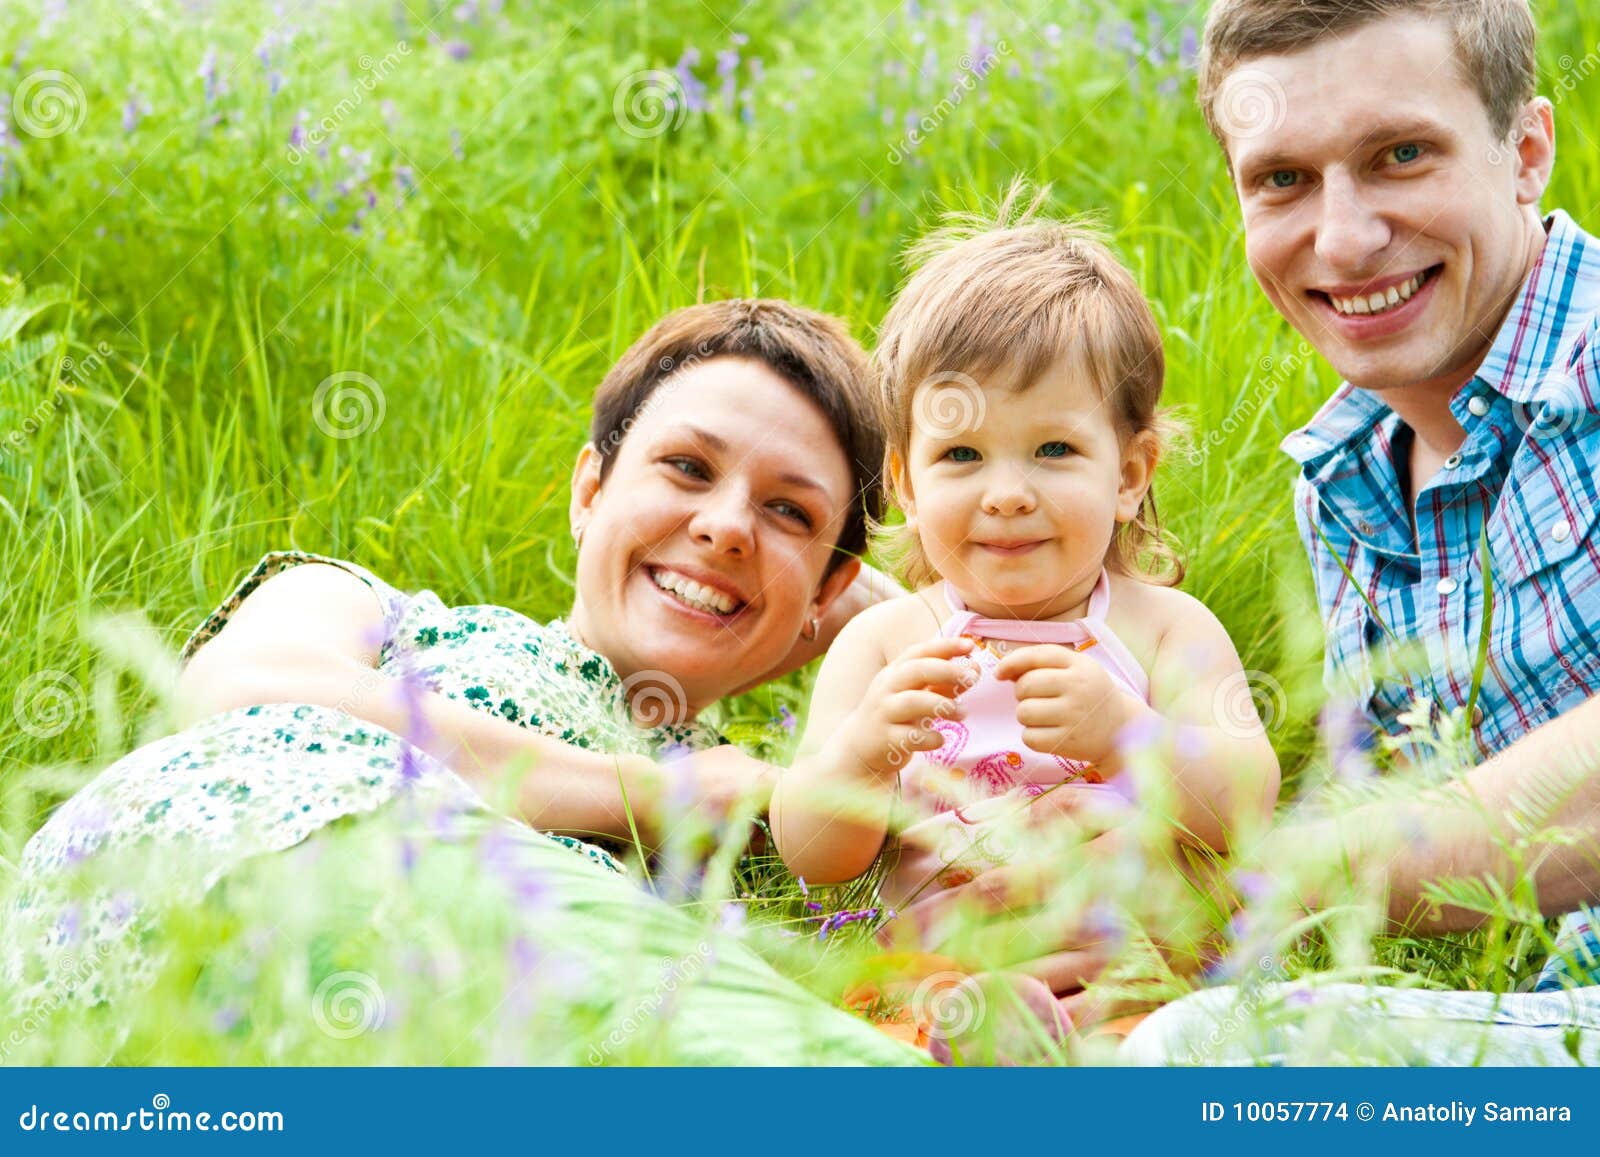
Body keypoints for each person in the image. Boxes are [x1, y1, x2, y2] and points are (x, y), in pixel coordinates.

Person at [3, 298, 921, 1065]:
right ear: (589, 493)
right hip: (257, 895)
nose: (725, 527)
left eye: (786, 510)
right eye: (686, 466)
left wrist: (865, 620)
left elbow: (971, 654)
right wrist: (657, 793)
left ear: (833, 583)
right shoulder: (372, 609)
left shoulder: (795, 824)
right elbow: (237, 688)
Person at [1116, 0, 1600, 1064]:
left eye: (1400, 155)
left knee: (1199, 1059)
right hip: (1545, 1032)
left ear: (1525, 152)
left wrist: (1262, 878)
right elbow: (1383, 825)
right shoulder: (1342, 481)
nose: (1341, 237)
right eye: (1282, 179)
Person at [771, 196, 1280, 986]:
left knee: (1176, 1038)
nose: (1006, 493)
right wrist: (864, 756)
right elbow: (812, 853)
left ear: (1130, 474)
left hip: (1135, 960)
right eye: (963, 455)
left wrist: (1126, 733)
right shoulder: (880, 645)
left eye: (1052, 448)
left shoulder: (1165, 630)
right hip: (945, 967)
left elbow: (1245, 801)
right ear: (905, 480)